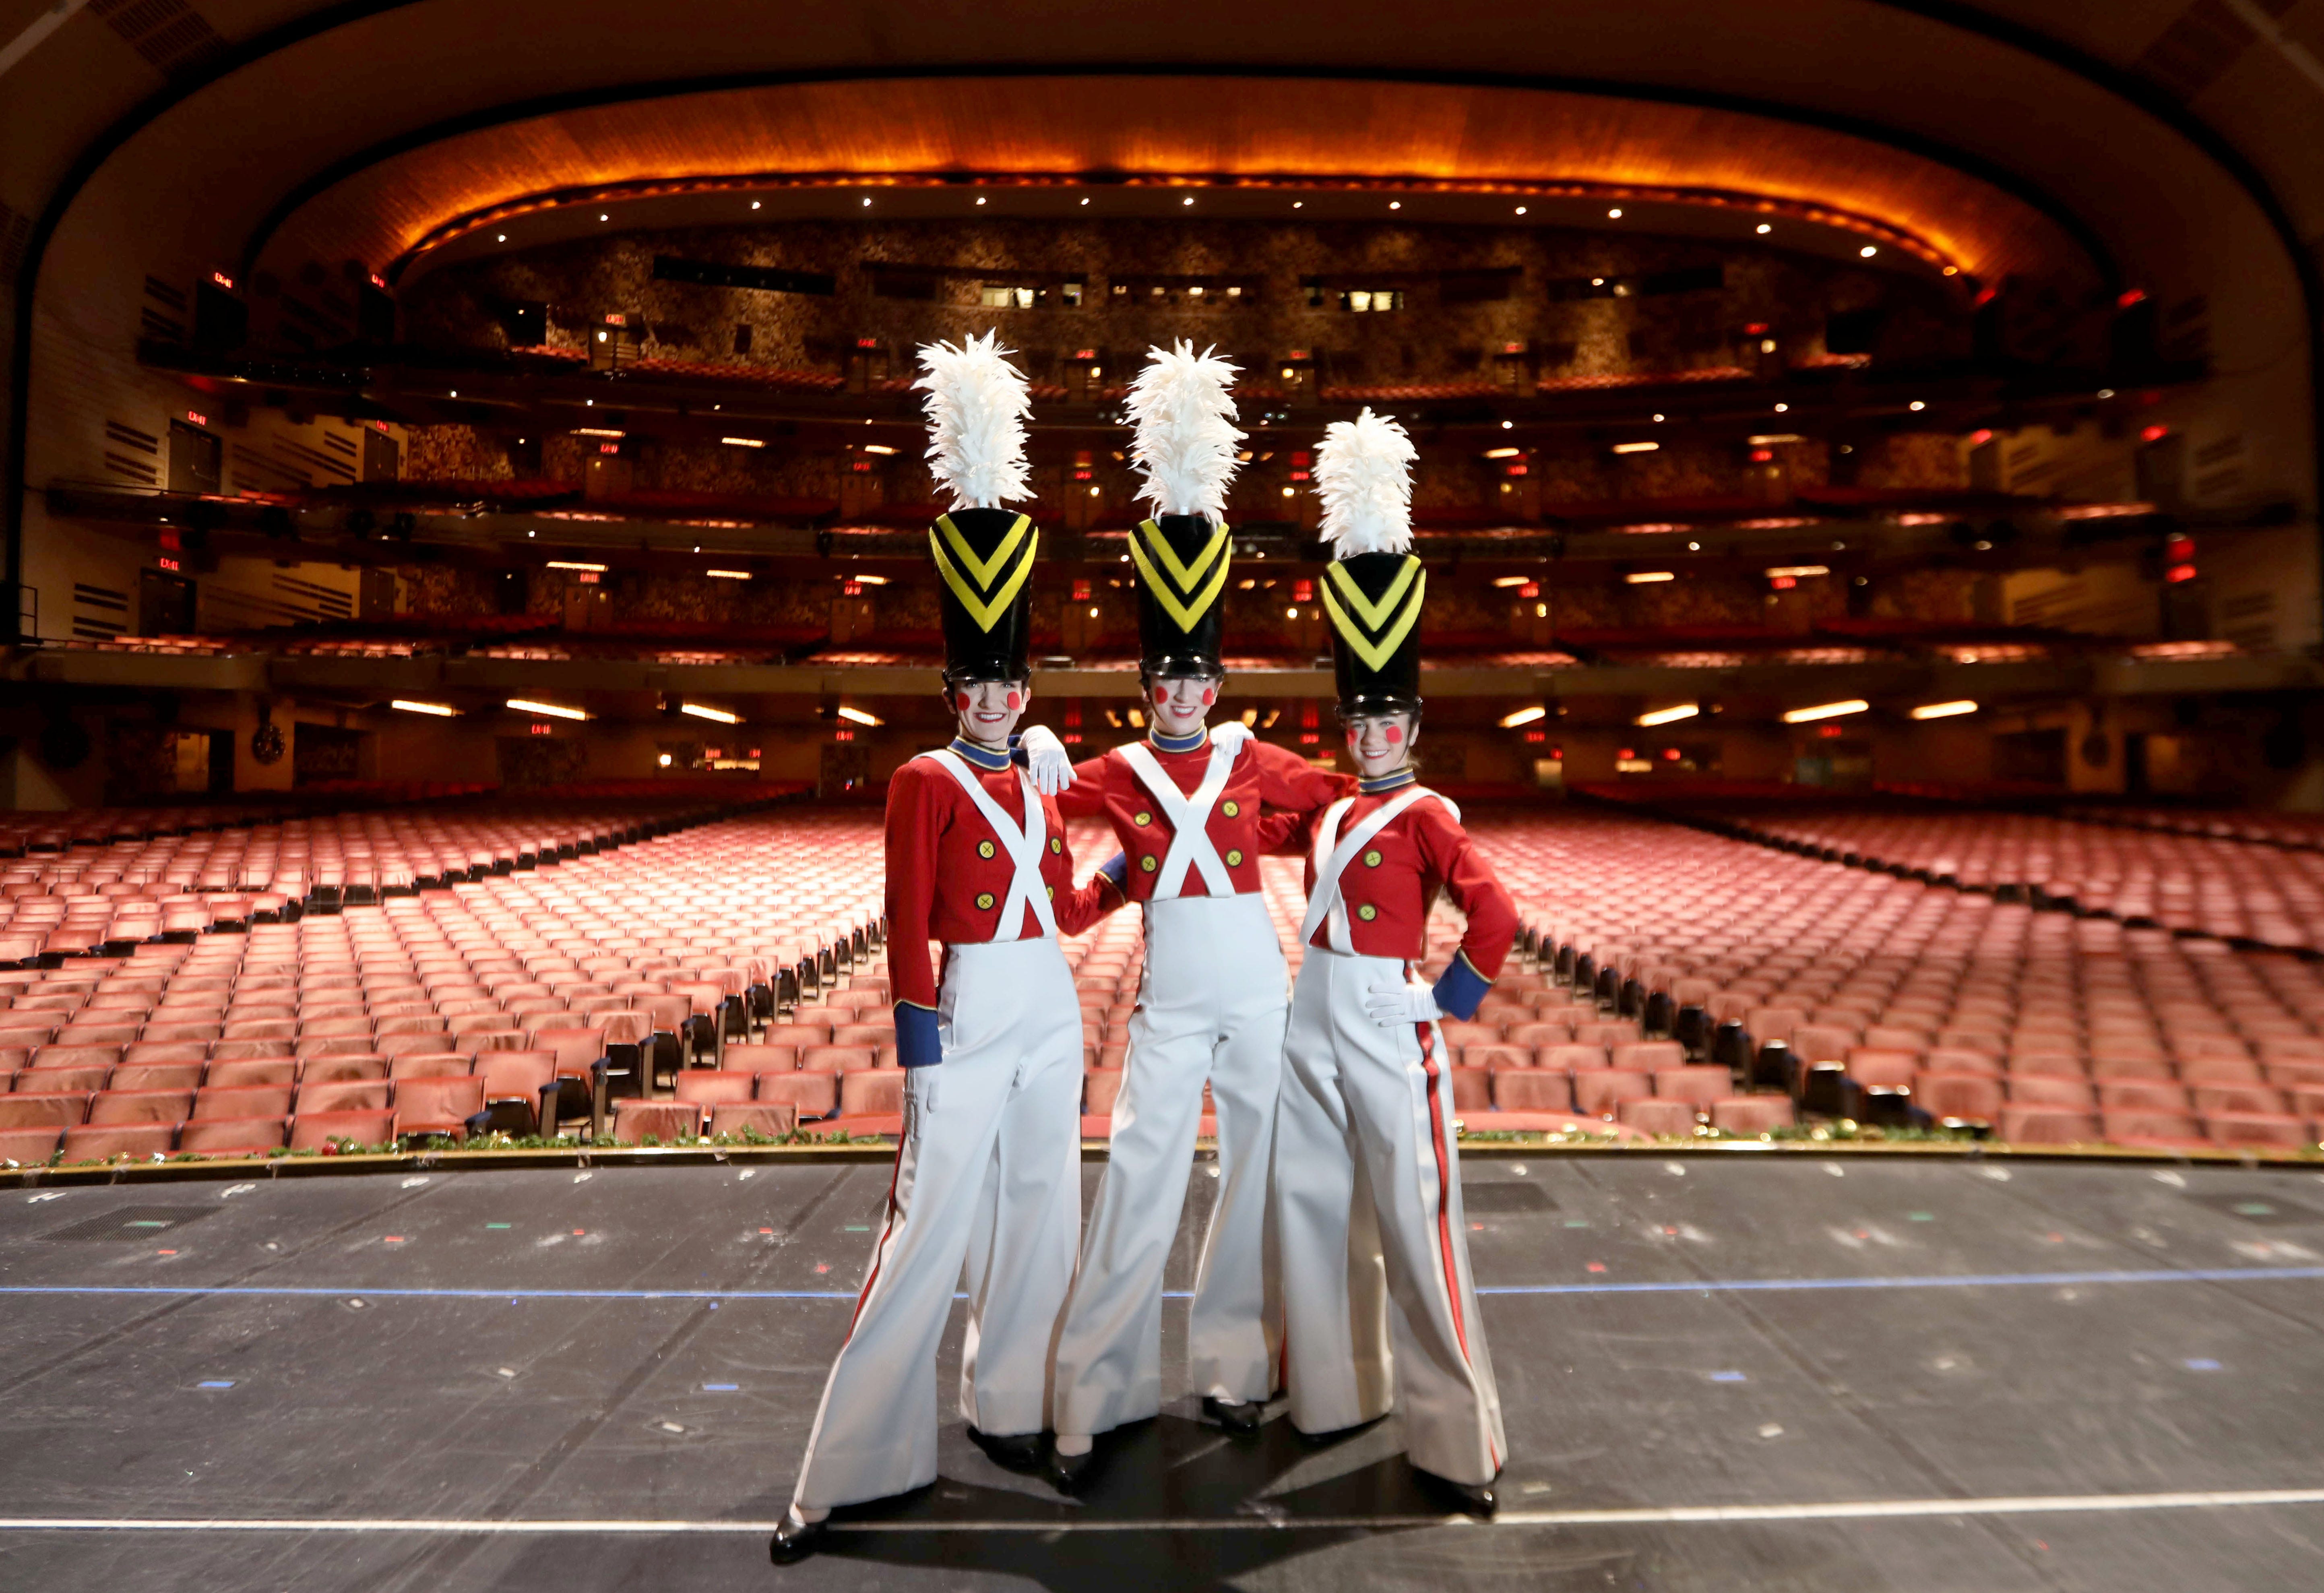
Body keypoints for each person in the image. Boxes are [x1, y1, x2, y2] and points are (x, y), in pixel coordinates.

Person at [772, 333, 1121, 1565]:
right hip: (968, 1011)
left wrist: (1123, 871)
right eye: (976, 684)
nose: (994, 700)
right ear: (949, 687)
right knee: (922, 1232)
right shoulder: (923, 780)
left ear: (1025, 690)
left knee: (1042, 1219)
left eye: (1009, 684)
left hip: (1048, 1005)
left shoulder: (1037, 782)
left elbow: (1063, 912)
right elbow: (907, 918)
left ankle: (1010, 1408)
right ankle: (850, 1466)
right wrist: (922, 1047)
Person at [1027, 342, 1351, 1491]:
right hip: (1168, 1011)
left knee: (1261, 1185)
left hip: (1261, 1000)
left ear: (1217, 685)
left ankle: (1237, 1372)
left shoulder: (1261, 761)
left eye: (1195, 679)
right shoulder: (1115, 770)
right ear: (1144, 684)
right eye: (1163, 677)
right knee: (1137, 1191)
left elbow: (1346, 812)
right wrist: (1033, 761)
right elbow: (1046, 817)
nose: (1179, 693)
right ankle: (1095, 1394)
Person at [1272, 408, 1515, 1518]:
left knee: (1418, 1227)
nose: (1372, 731)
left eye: (1390, 714)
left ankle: (1459, 1445)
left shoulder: (1427, 813)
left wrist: (1438, 999)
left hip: (1382, 1012)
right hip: (1307, 1014)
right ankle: (1333, 1398)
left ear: (1413, 721)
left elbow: (1498, 916)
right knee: (1314, 1215)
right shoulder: (1326, 811)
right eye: (1359, 714)